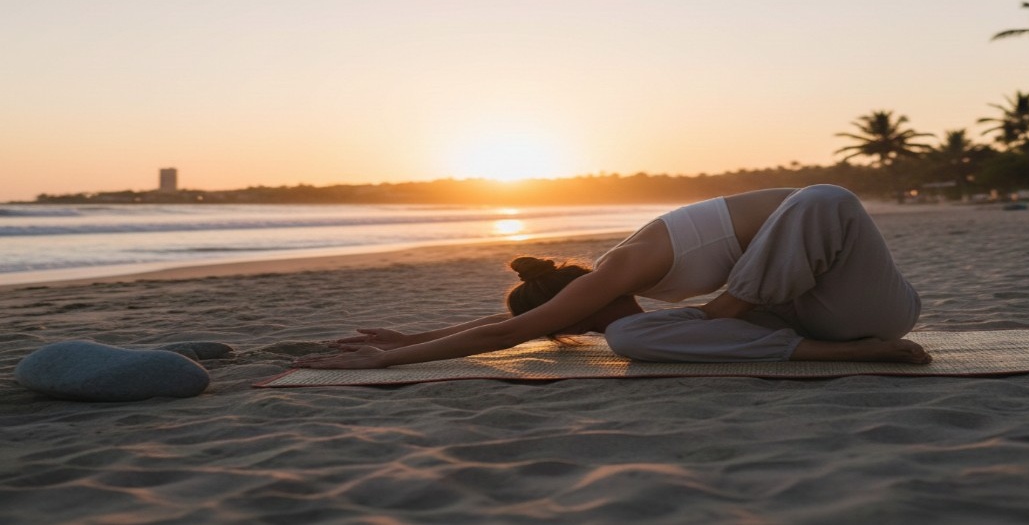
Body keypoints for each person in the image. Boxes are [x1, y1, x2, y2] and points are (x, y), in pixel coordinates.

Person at [293, 184, 931, 370]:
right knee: (634, 345)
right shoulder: (620, 289)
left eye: (583, 325)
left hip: (869, 300)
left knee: (822, 198)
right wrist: (409, 338)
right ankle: (827, 353)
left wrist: (382, 364)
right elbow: (517, 326)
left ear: (578, 302)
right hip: (813, 317)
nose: (601, 329)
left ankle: (738, 312)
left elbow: (514, 333)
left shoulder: (622, 267)